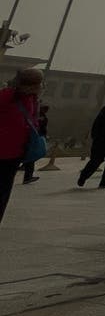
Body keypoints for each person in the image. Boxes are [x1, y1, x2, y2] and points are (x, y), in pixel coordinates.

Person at [1, 67, 43, 224]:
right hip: (4, 151)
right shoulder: (7, 95)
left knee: (3, 191)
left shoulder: (32, 99)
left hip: (15, 153)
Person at [21, 104, 49, 184]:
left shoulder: (33, 115)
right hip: (35, 137)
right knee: (32, 156)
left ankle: (26, 171)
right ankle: (28, 176)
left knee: (29, 155)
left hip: (32, 137)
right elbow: (41, 127)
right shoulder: (38, 116)